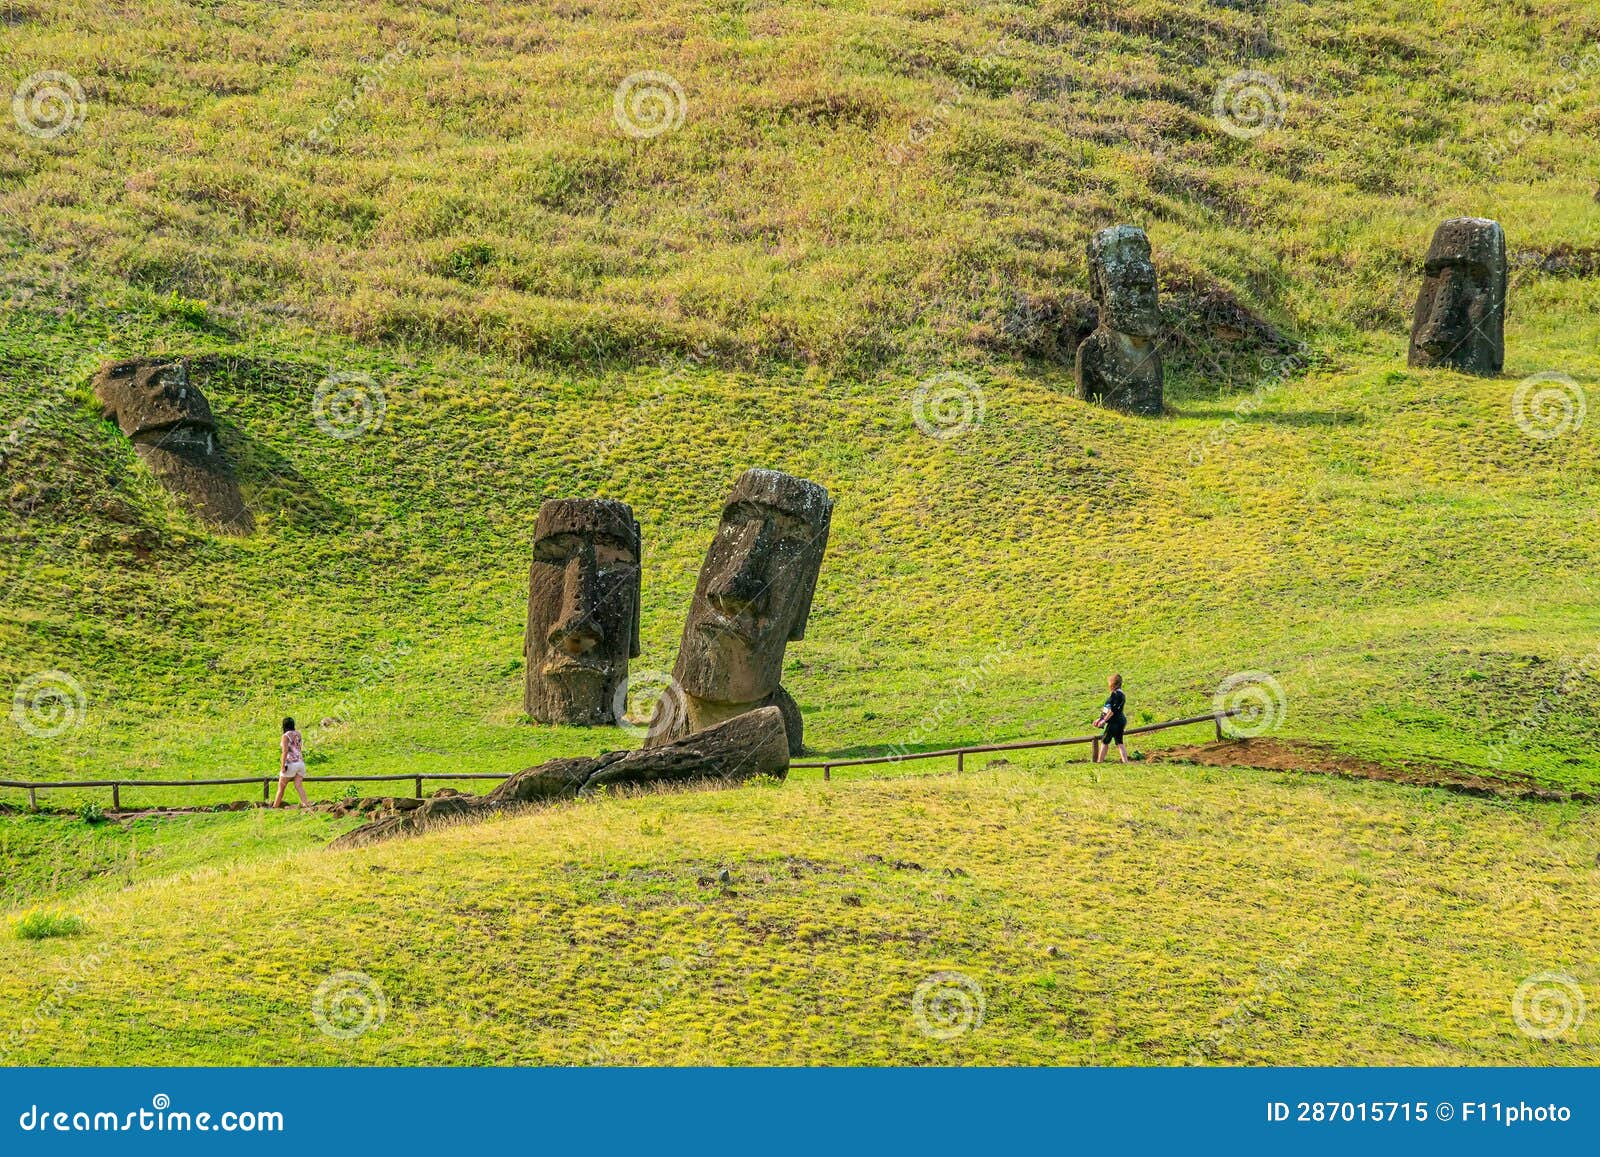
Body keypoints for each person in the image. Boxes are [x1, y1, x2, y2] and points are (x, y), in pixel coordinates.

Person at [1091, 674, 1129, 763]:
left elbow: (1112, 711)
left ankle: (1100, 762)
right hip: (1121, 720)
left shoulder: (1115, 694)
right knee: (1119, 741)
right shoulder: (1121, 694)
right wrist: (1100, 719)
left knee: (1105, 740)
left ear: (1113, 684)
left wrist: (1104, 720)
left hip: (1115, 721)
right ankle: (1125, 762)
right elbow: (1108, 709)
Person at [274, 717, 310, 808]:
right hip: (300, 763)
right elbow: (299, 748)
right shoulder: (298, 734)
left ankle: (275, 807)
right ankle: (305, 804)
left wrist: (282, 766)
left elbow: (285, 751)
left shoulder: (285, 736)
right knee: (298, 785)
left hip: (291, 763)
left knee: (281, 788)